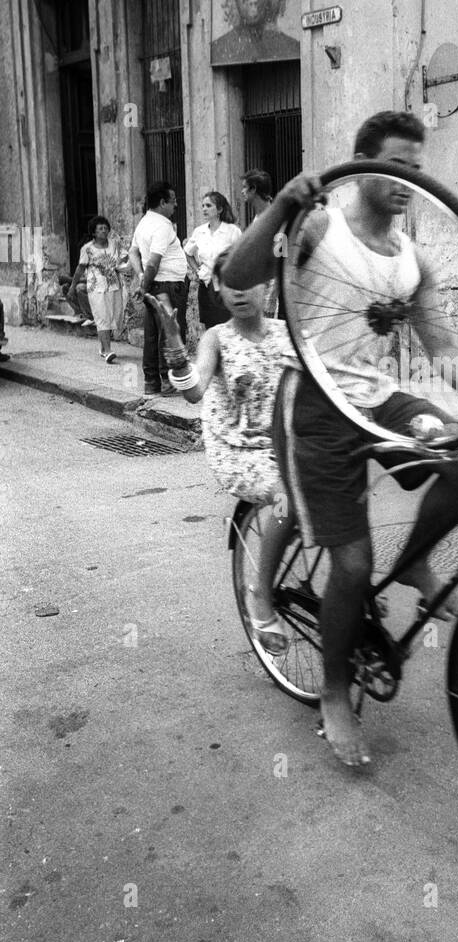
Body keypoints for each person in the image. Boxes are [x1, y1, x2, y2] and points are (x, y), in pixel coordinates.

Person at [223, 110, 458, 768]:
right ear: (364, 164)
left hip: (375, 397)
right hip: (311, 404)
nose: (407, 180)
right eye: (396, 165)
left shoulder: (410, 258)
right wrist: (281, 205)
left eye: (417, 169)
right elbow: (238, 275)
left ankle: (415, 559)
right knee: (354, 564)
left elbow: (443, 345)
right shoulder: (319, 224)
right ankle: (335, 694)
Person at [144, 251, 295, 650]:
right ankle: (261, 599)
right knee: (286, 499)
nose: (242, 291)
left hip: (288, 443)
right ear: (218, 288)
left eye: (250, 281)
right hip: (239, 449)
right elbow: (194, 391)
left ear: (269, 284)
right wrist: (174, 344)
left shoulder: (287, 332)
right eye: (232, 283)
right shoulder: (217, 338)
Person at [129, 182, 189, 396]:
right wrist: (143, 282)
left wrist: (141, 279)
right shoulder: (163, 225)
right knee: (169, 331)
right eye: (173, 201)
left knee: (152, 335)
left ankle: (151, 382)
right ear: (162, 202)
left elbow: (133, 254)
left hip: (154, 284)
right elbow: (153, 262)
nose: (176, 205)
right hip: (168, 286)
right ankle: (167, 381)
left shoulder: (144, 222)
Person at [183, 192, 242, 328]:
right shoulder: (199, 231)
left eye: (208, 205)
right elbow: (188, 252)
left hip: (225, 286)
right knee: (210, 327)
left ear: (220, 209)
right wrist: (197, 270)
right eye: (203, 205)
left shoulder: (232, 231)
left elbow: (241, 256)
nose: (204, 209)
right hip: (206, 286)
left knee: (227, 327)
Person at [76, 215, 127, 363]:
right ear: (94, 232)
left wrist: (120, 263)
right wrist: (73, 286)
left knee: (113, 316)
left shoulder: (115, 244)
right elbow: (80, 268)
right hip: (96, 287)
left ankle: (103, 347)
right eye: (100, 229)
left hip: (114, 285)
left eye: (106, 228)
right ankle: (108, 351)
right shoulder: (87, 249)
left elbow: (124, 257)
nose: (104, 231)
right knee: (102, 317)